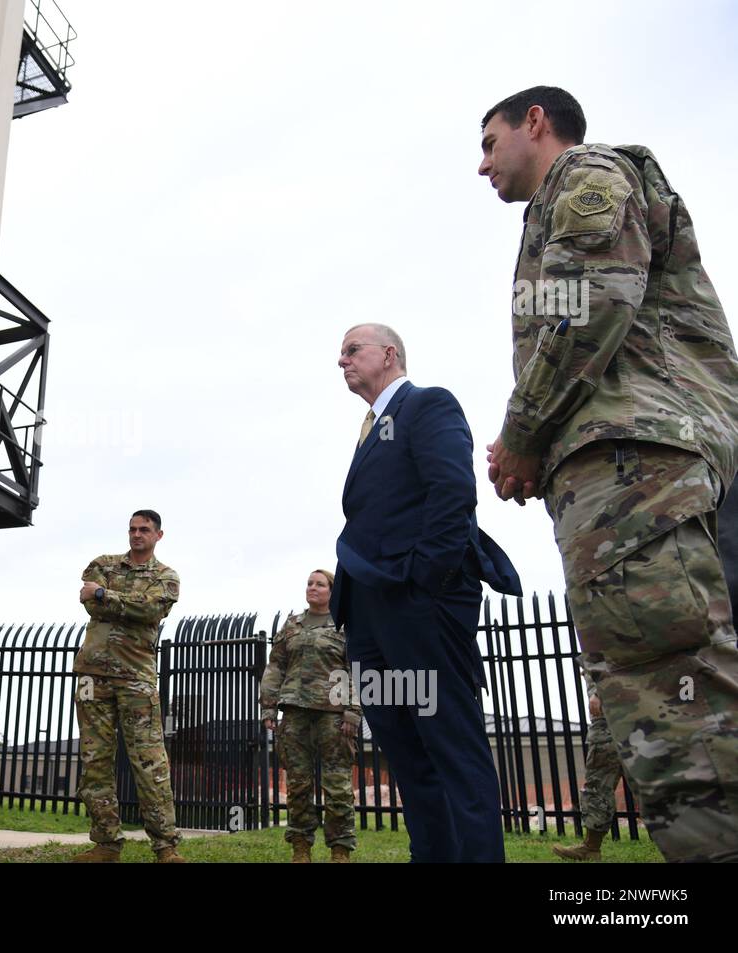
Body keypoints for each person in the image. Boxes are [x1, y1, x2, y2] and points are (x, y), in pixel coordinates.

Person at [478, 86, 738, 862]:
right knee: (654, 678)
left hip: (637, 460)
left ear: (536, 123)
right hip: (631, 459)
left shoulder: (589, 175)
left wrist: (523, 433)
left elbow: (590, 303)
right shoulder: (555, 205)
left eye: (490, 142)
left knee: (671, 687)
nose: (481, 163)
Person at [332, 323, 521, 863]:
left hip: (420, 606)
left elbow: (453, 491)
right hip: (367, 611)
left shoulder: (428, 405)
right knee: (406, 752)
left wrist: (425, 584)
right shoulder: (370, 430)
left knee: (452, 748)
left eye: (352, 350)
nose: (340, 361)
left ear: (388, 354)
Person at [71, 509, 184, 864]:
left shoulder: (166, 576)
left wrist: (106, 595)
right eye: (132, 529)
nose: (137, 535)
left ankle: (165, 847)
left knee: (149, 762)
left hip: (136, 677)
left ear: (158, 535)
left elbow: (151, 611)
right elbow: (89, 601)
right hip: (92, 675)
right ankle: (106, 844)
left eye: (144, 530)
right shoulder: (103, 563)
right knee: (95, 761)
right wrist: (107, 598)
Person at [261, 569, 360, 863]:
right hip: (294, 714)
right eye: (309, 583)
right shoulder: (292, 625)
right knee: (298, 784)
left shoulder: (346, 625)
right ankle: (301, 848)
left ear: (333, 591)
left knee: (338, 785)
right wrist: (268, 707)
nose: (312, 588)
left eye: (320, 584)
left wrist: (353, 711)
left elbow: (358, 669)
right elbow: (275, 667)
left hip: (334, 716)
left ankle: (340, 850)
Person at [553, 685, 624, 861]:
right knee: (597, 784)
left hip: (615, 714)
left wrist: (600, 690)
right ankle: (591, 848)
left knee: (598, 783)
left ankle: (591, 848)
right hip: (620, 715)